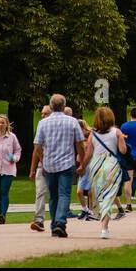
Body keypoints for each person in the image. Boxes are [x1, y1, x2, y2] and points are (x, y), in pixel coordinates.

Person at [30, 93, 87, 239]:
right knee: (64, 194)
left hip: (49, 164)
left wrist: (42, 161)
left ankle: (55, 224)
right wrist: (82, 161)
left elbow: (37, 146)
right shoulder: (72, 122)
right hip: (66, 163)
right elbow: (80, 143)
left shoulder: (43, 123)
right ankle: (60, 223)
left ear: (50, 106)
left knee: (53, 196)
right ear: (63, 106)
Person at [85, 106, 128, 239]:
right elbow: (123, 150)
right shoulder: (117, 132)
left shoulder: (93, 134)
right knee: (109, 196)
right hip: (111, 166)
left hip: (96, 166)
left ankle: (103, 224)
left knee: (101, 196)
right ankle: (104, 228)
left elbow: (89, 153)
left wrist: (82, 166)